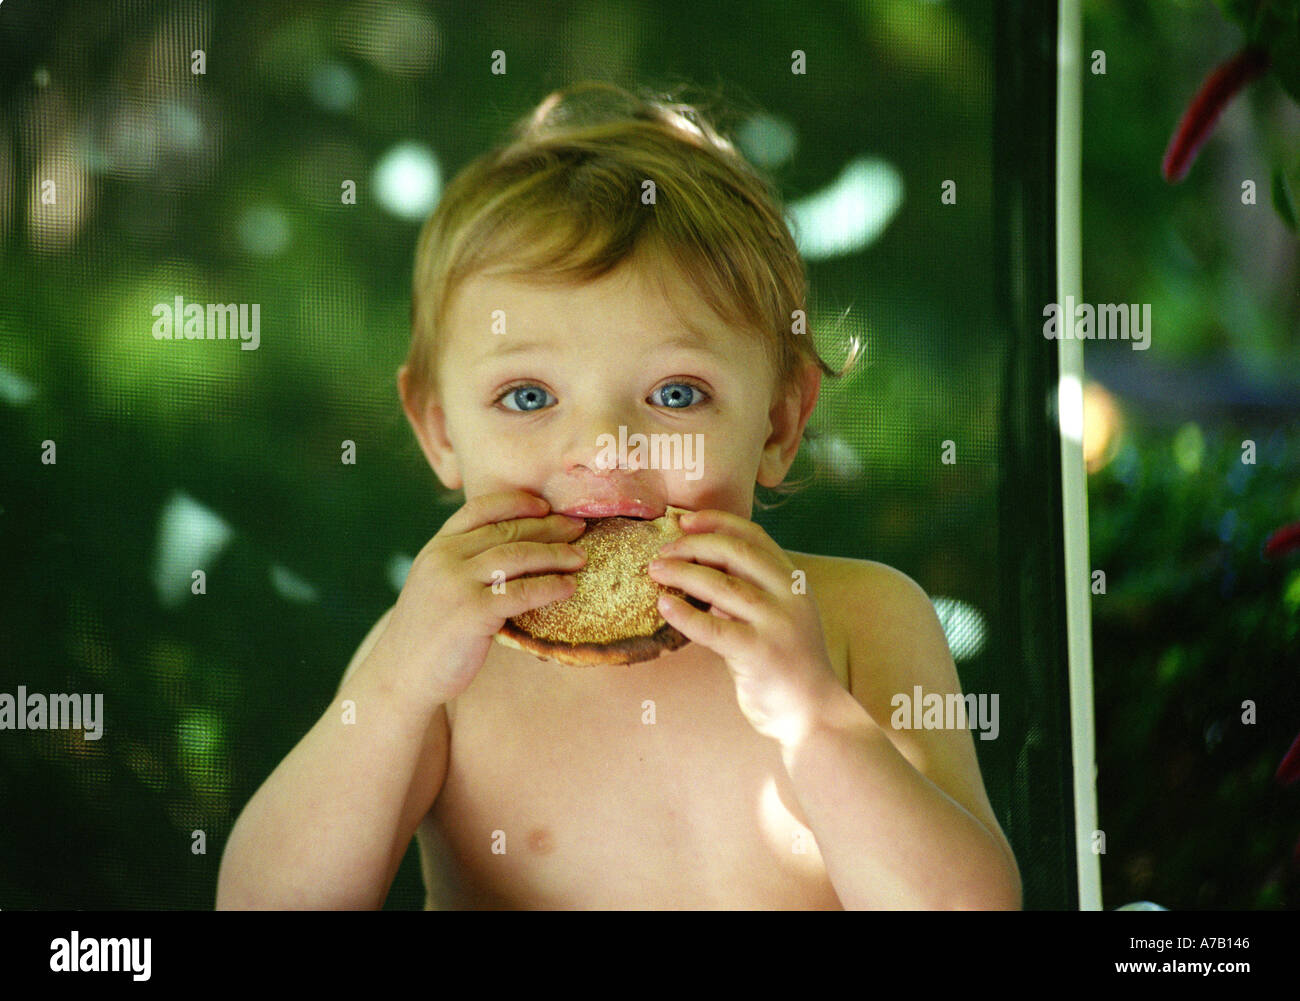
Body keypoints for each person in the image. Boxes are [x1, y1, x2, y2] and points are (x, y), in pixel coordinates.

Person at [216, 81, 1021, 910]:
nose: (605, 446)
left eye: (676, 393)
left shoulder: (860, 620)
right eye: (528, 396)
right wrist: (390, 691)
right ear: (441, 431)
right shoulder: (433, 660)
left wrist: (814, 717)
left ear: (779, 423)